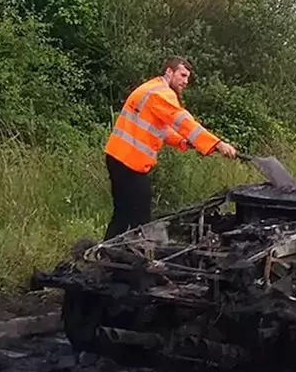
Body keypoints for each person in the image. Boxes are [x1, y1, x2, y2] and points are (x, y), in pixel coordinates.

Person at [102, 56, 237, 241]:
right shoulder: (162, 93)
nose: (185, 81)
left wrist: (185, 142)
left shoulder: (151, 89)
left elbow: (161, 130)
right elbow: (183, 121)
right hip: (129, 162)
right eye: (182, 75)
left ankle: (105, 255)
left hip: (118, 157)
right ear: (169, 72)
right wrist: (217, 144)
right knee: (140, 217)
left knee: (123, 214)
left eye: (187, 78)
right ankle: (135, 263)